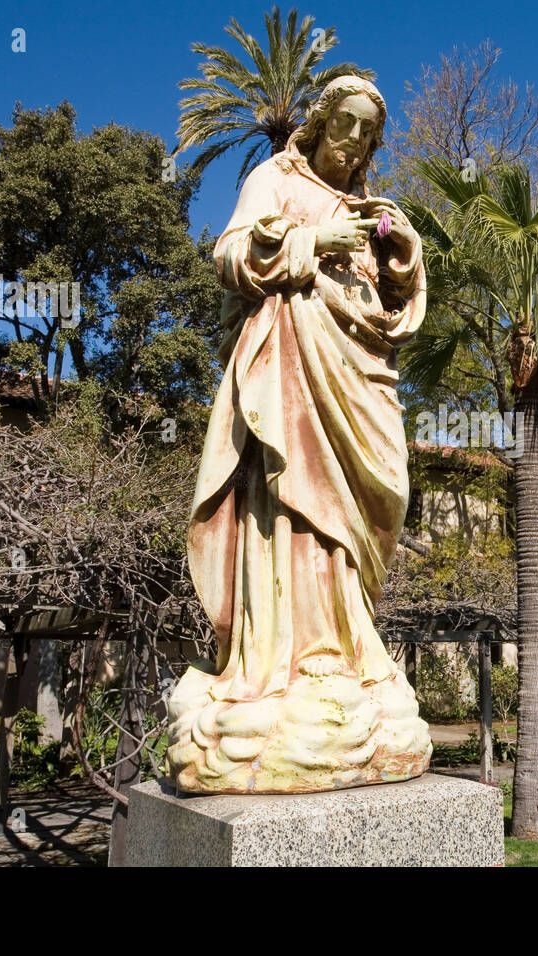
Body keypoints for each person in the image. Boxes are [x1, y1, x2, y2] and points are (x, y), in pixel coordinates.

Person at [165, 76, 432, 794]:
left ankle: (348, 652)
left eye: (365, 132)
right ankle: (288, 663)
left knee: (377, 497)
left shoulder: (376, 208)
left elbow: (399, 312)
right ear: (319, 124)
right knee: (294, 503)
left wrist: (402, 255)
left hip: (358, 378)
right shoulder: (272, 179)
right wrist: (315, 240)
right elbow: (228, 258)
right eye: (342, 124)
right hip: (288, 375)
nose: (353, 140)